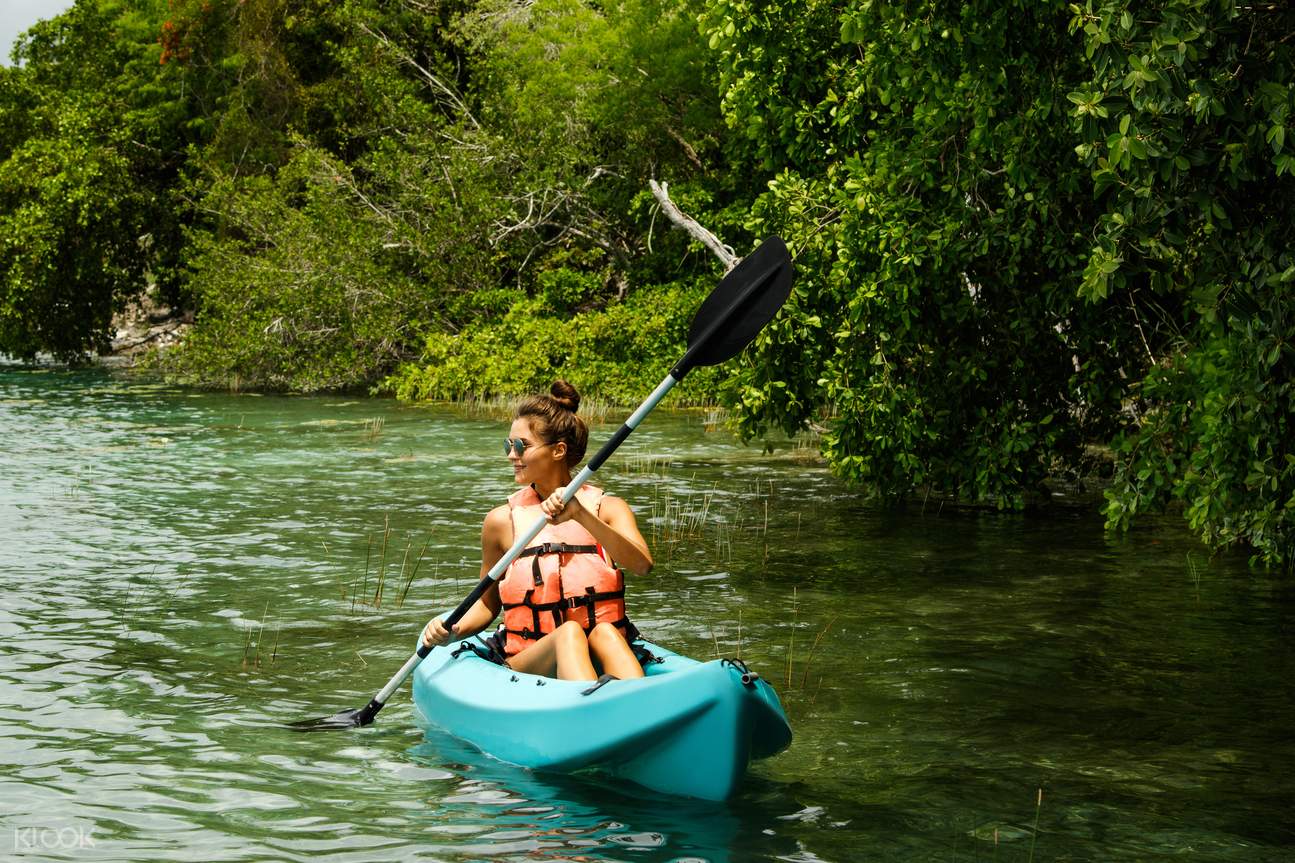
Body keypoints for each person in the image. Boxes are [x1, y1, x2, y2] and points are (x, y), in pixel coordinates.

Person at [420, 380, 653, 681]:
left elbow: (642, 565)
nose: (510, 455)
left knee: (606, 632)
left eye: (521, 446)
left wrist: (581, 516)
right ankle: (590, 712)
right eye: (508, 445)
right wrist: (454, 629)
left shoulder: (606, 508)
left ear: (558, 450)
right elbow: (487, 604)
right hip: (530, 661)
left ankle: (639, 705)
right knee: (568, 634)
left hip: (599, 650)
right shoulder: (501, 521)